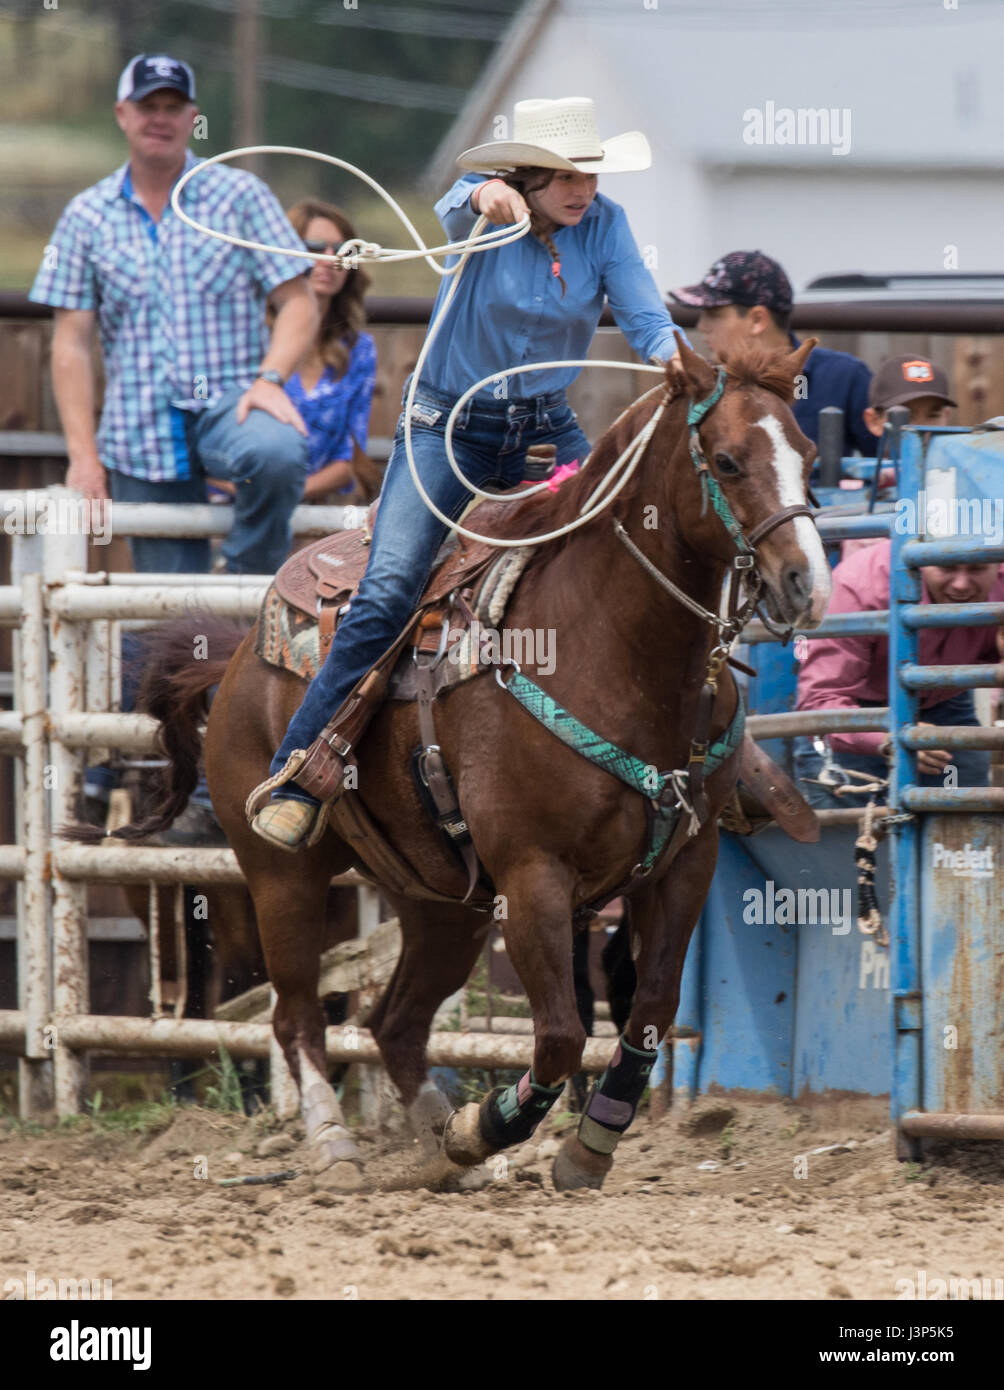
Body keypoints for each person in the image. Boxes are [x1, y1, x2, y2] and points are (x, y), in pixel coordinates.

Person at [249, 95, 689, 849]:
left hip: (543, 425)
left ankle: (693, 755)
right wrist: (489, 195)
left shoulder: (607, 225)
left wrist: (676, 358)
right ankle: (299, 764)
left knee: (634, 551)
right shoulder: (483, 214)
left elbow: (645, 313)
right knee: (389, 588)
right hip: (445, 426)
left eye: (589, 171)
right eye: (564, 175)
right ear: (525, 174)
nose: (583, 188)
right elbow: (460, 203)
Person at [29, 52, 319, 577]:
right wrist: (83, 456)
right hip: (138, 426)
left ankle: (243, 580)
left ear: (193, 117)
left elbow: (298, 301)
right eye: (147, 106)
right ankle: (186, 635)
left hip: (232, 401)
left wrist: (271, 379)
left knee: (276, 453)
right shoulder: (86, 215)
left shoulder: (240, 195)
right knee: (170, 615)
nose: (159, 118)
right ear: (122, 114)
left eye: (173, 106)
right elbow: (70, 343)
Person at [793, 540, 1004, 809]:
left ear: (998, 564)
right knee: (853, 829)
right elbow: (819, 706)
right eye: (947, 567)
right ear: (923, 561)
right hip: (858, 714)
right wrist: (891, 737)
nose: (961, 584)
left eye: (977, 569)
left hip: (944, 703)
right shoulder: (858, 588)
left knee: (960, 822)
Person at [670, 250, 877, 458]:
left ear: (757, 320)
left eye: (714, 314)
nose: (702, 326)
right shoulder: (702, 386)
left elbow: (889, 468)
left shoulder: (844, 378)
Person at [275, 199, 379, 503]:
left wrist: (286, 500)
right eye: (315, 247)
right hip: (229, 510)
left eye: (345, 250)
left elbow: (350, 458)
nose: (331, 259)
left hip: (315, 509)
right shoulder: (247, 336)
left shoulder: (359, 350)